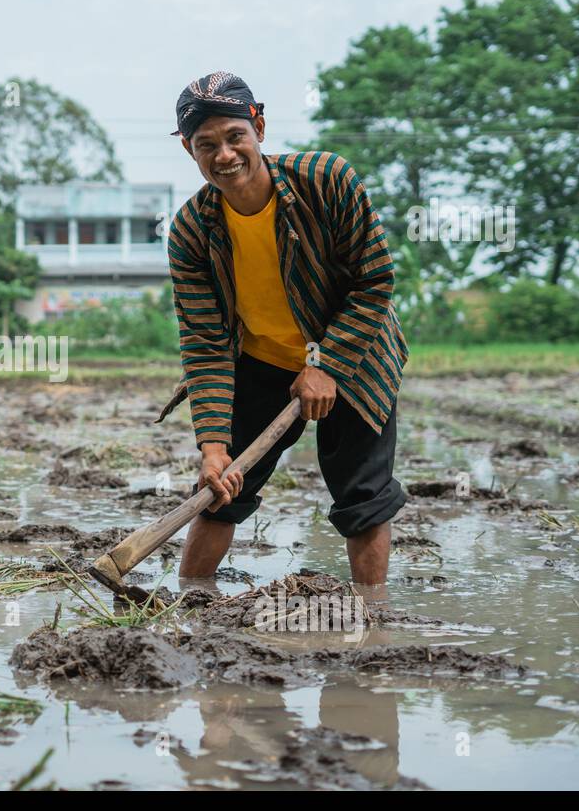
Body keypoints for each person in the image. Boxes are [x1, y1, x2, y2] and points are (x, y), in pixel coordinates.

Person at [156, 71, 409, 589]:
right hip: (264, 361)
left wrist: (326, 365)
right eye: (207, 145)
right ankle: (190, 606)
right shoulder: (190, 232)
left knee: (363, 496)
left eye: (234, 137)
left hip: (353, 354)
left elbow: (375, 280)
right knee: (223, 491)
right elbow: (205, 343)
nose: (224, 155)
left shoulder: (327, 180)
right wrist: (212, 447)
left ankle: (374, 624)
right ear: (189, 150)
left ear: (260, 128)